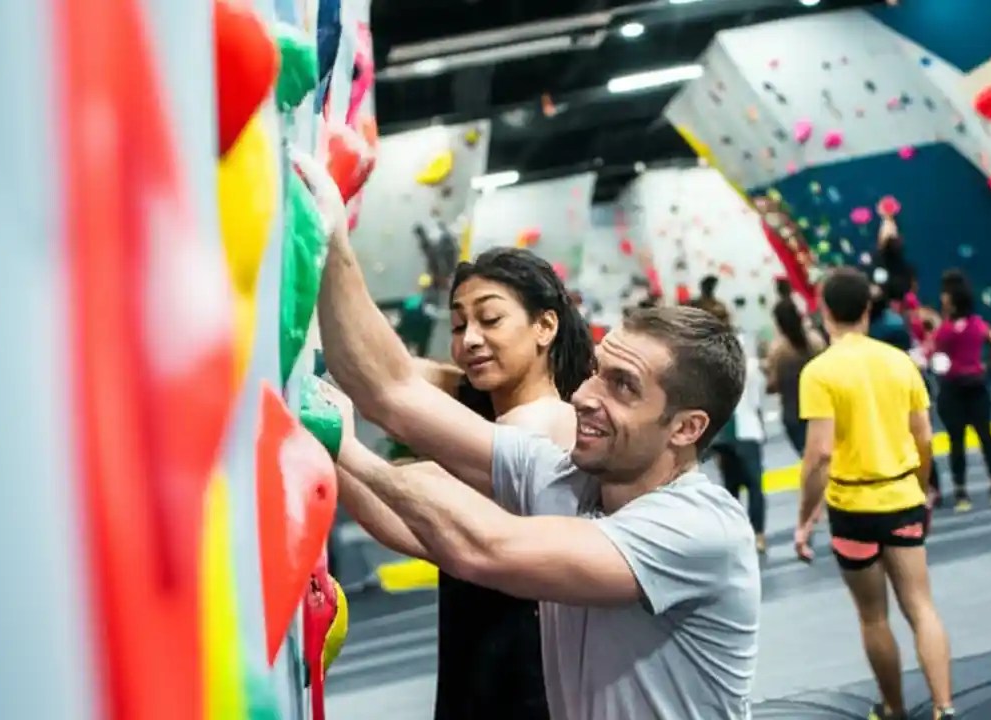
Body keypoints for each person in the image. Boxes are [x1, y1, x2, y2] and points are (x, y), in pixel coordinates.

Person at [315, 192, 762, 718]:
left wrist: (345, 448)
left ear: (686, 428)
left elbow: (483, 547)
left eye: (622, 386)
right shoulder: (564, 475)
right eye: (597, 372)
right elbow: (392, 390)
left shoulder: (696, 527)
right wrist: (330, 238)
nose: (585, 396)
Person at [346, 247, 594, 719]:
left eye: (491, 319)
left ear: (545, 326)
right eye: (459, 326)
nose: (471, 339)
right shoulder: (491, 415)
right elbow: (388, 367)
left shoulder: (546, 422)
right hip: (486, 679)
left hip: (527, 691)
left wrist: (338, 444)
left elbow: (388, 389)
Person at [793, 268, 955, 720]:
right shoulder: (899, 362)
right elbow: (924, 437)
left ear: (824, 311)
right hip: (902, 499)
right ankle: (944, 707)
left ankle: (894, 709)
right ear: (868, 308)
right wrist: (919, 489)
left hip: (852, 509)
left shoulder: (819, 372)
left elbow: (819, 455)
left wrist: (805, 519)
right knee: (921, 607)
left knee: (873, 616)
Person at [931, 271, 991, 512]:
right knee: (985, 437)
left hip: (953, 389)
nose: (942, 298)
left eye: (945, 294)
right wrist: (987, 367)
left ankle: (961, 492)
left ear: (952, 298)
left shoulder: (944, 328)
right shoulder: (978, 324)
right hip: (976, 386)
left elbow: (935, 355)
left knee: (957, 441)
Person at [711, 331, 769, 553]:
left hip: (728, 434)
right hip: (745, 432)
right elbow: (756, 401)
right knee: (753, 486)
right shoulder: (749, 369)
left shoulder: (716, 373)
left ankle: (742, 536)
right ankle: (757, 534)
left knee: (733, 488)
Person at [766, 298, 824, 454]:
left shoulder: (777, 350)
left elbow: (772, 385)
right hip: (820, 406)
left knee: (808, 456)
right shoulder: (816, 341)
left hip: (793, 412)